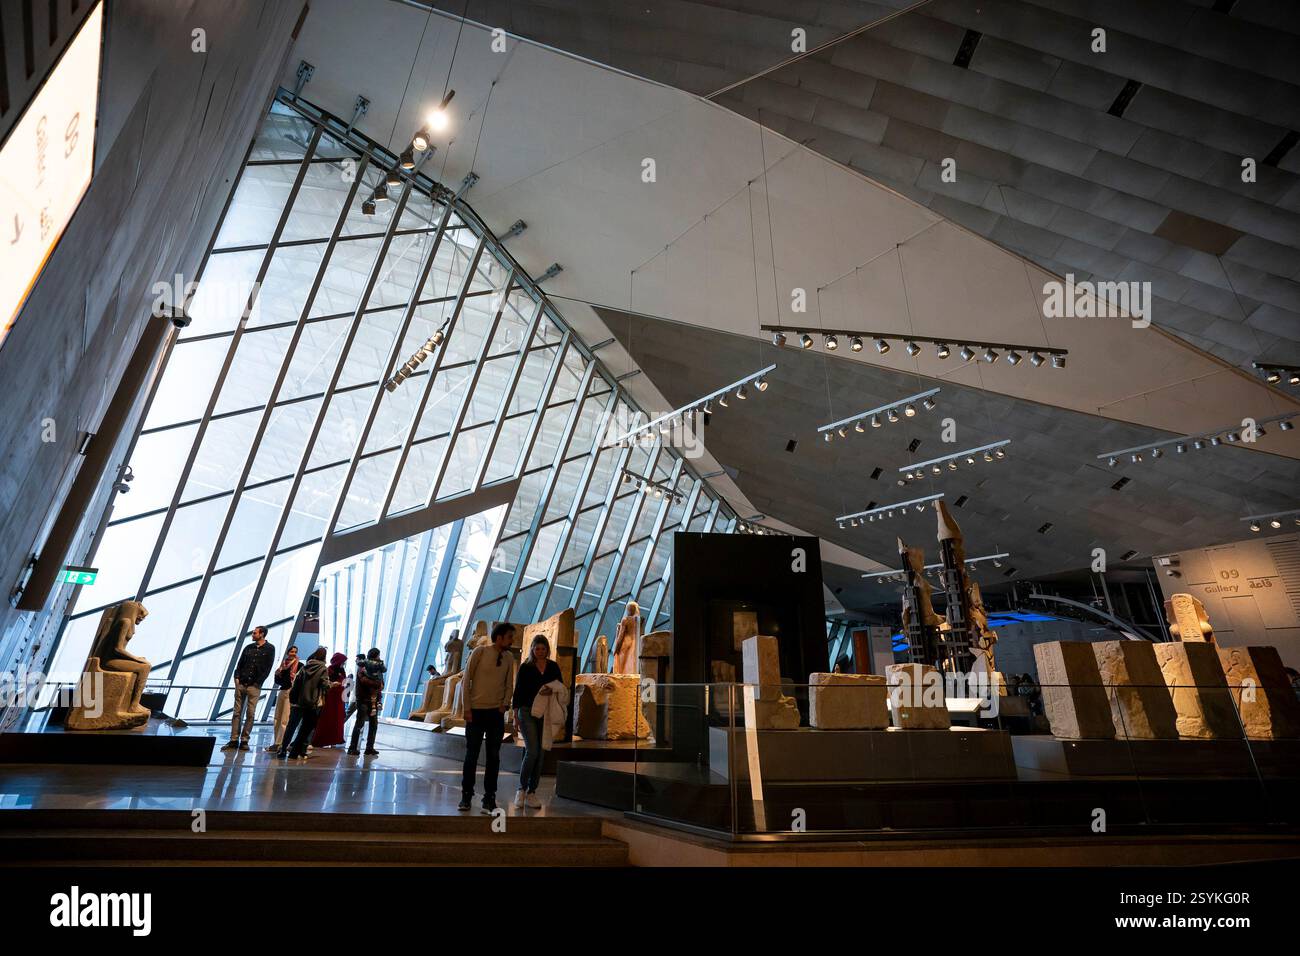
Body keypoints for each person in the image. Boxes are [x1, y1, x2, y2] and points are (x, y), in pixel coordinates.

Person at [458, 623, 517, 813]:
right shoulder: (479, 652)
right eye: (509, 637)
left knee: (494, 757)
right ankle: (466, 796)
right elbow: (466, 681)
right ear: (499, 637)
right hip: (475, 712)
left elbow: (509, 684)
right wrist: (467, 708)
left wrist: (504, 705)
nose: (511, 640)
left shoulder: (508, 658)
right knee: (471, 755)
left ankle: (489, 797)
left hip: (496, 714)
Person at [512, 634, 563, 809]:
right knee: (532, 751)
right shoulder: (526, 667)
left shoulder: (553, 666)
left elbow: (560, 686)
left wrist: (552, 690)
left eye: (543, 648)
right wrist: (515, 716)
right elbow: (518, 692)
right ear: (532, 649)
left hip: (546, 712)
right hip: (526, 712)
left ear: (547, 650)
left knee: (541, 753)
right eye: (537, 648)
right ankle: (521, 789)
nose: (540, 651)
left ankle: (532, 792)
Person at [222, 625, 275, 751]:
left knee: (250, 714)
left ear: (262, 634)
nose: (252, 635)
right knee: (236, 713)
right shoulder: (248, 647)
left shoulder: (270, 649)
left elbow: (268, 667)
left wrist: (258, 682)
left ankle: (244, 740)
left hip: (254, 686)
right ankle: (233, 740)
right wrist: (237, 679)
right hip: (241, 684)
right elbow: (239, 664)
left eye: (254, 633)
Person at [278, 647, 331, 760]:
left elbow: (296, 683)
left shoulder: (305, 666)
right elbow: (325, 685)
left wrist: (293, 699)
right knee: (306, 728)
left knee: (291, 727)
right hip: (312, 703)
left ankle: (282, 750)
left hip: (298, 702)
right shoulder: (323, 669)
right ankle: (298, 751)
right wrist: (333, 684)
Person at [348, 647, 386, 756]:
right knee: (360, 723)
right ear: (375, 656)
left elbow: (381, 684)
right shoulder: (362, 668)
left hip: (373, 700)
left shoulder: (377, 669)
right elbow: (366, 682)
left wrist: (379, 698)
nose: (379, 658)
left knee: (373, 724)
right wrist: (378, 684)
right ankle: (353, 747)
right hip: (364, 699)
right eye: (378, 656)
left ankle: (369, 748)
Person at [265, 645, 300, 752]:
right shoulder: (282, 665)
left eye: (295, 651)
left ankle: (282, 743)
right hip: (282, 691)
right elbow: (278, 680)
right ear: (287, 652)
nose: (293, 653)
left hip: (291, 692)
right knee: (277, 717)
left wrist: (285, 678)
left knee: (285, 719)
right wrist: (282, 675)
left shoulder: (299, 665)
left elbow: (296, 681)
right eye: (291, 651)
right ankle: (277, 742)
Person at [312, 652, 348, 748]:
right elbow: (325, 683)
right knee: (327, 718)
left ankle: (335, 739)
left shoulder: (342, 670)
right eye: (343, 662)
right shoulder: (329, 670)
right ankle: (323, 740)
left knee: (337, 719)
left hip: (339, 698)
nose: (343, 664)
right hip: (331, 697)